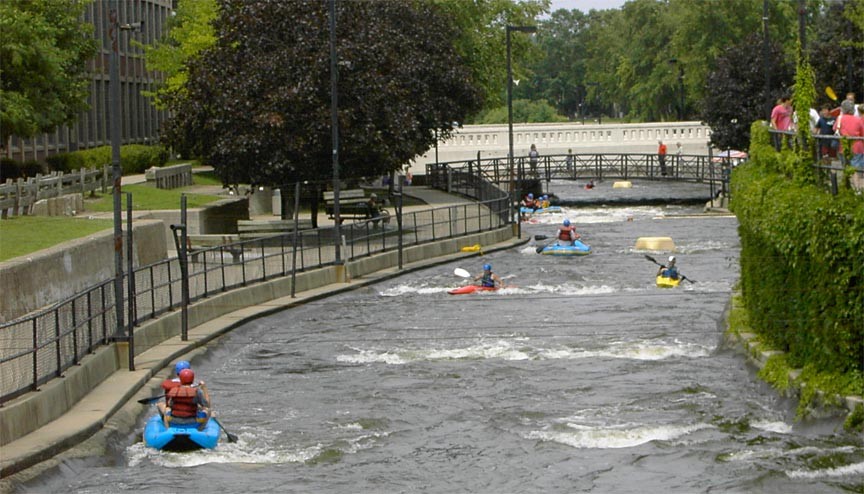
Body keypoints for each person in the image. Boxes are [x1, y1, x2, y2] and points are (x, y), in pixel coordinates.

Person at [833, 99, 864, 170]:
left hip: (843, 146)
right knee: (856, 170)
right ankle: (856, 181)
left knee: (845, 169)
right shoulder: (858, 120)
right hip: (857, 147)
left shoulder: (839, 119)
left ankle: (847, 181)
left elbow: (835, 129)